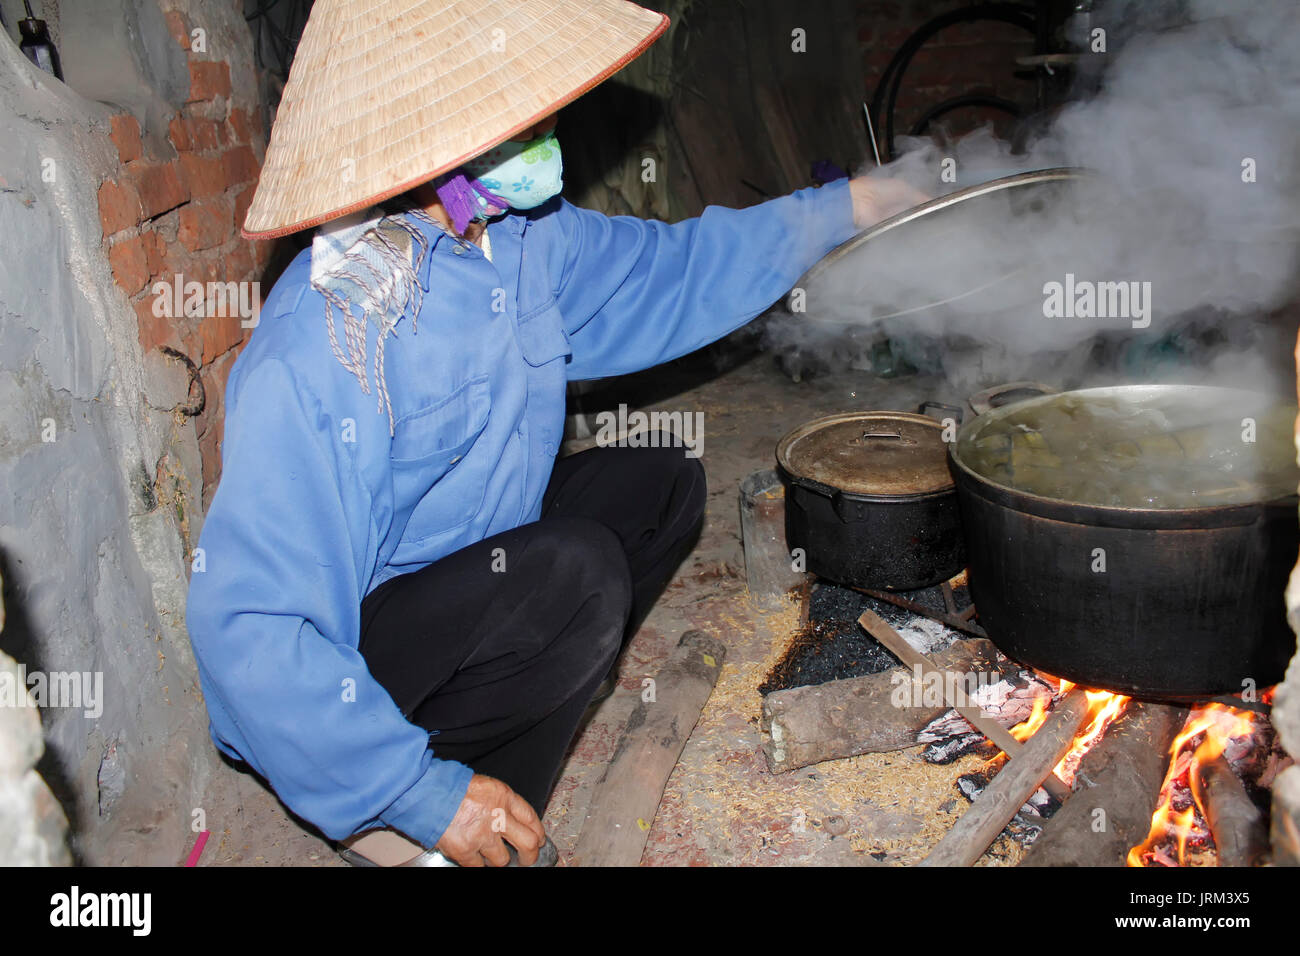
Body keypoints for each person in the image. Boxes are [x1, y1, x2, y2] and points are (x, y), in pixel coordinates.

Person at [185, 0, 926, 867]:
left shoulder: (520, 237)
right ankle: (425, 819)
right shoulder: (331, 336)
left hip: (472, 573)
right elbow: (252, 624)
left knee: (663, 482)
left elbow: (674, 269)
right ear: (435, 146)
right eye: (519, 112)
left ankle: (495, 729)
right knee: (576, 576)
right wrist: (418, 796)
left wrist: (844, 207)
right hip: (356, 658)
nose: (551, 125)